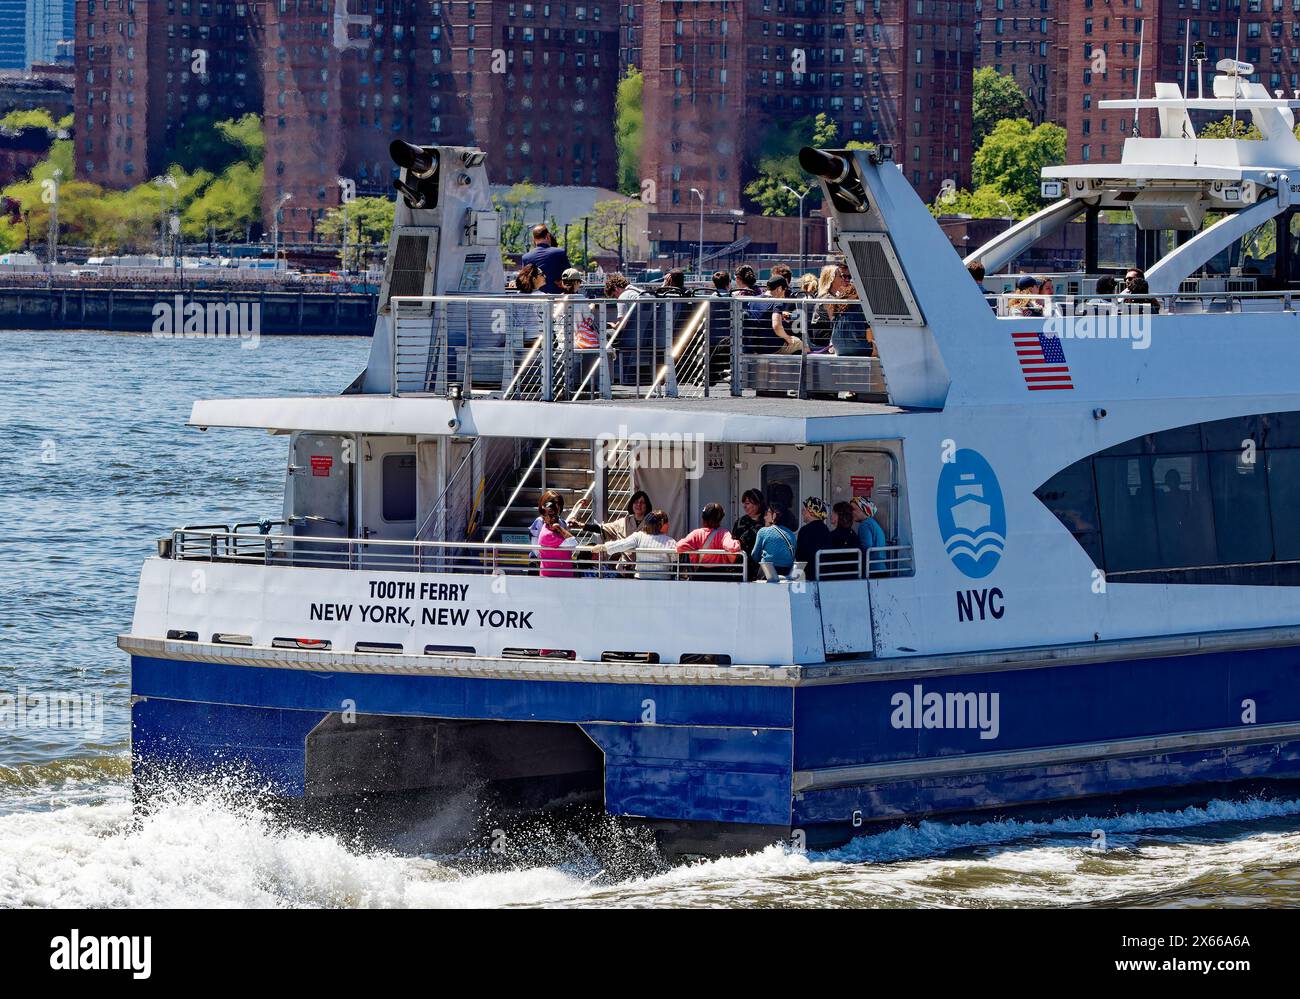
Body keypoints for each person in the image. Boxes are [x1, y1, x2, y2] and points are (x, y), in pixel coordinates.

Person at [593, 509, 679, 579]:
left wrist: (603, 547)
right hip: (663, 580)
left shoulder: (639, 536)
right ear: (662, 525)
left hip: (641, 579)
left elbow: (622, 544)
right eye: (667, 523)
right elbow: (676, 562)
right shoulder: (670, 541)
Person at [677, 502, 742, 572]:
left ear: (703, 517)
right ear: (720, 518)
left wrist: (693, 550)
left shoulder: (696, 534)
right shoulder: (724, 533)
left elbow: (680, 546)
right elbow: (732, 547)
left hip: (700, 574)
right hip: (721, 574)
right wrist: (737, 542)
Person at [828, 263, 872, 357]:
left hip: (839, 348)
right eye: (844, 276)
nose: (847, 279)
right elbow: (869, 334)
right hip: (858, 348)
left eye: (850, 277)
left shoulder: (837, 303)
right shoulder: (860, 305)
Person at [520, 223, 572, 293]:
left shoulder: (525, 257)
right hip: (558, 298)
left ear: (534, 239)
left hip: (534, 299)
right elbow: (570, 276)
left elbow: (524, 280)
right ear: (548, 236)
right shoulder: (560, 252)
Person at [750, 502, 797, 577]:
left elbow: (755, 555)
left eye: (767, 514)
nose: (764, 517)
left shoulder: (763, 531)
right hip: (787, 574)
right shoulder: (791, 534)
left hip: (767, 573)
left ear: (774, 515)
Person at [794, 496, 834, 580]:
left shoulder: (805, 530)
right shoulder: (825, 529)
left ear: (812, 512)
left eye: (804, 510)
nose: (802, 512)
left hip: (809, 574)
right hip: (825, 573)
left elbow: (800, 555)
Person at [822, 501, 866, 578]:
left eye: (833, 513)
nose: (831, 516)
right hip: (853, 577)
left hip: (834, 578)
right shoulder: (853, 535)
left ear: (839, 516)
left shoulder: (832, 536)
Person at [536, 499, 578, 578]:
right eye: (550, 515)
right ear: (544, 518)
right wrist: (559, 528)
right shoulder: (547, 534)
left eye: (555, 514)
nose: (554, 518)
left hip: (562, 574)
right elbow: (573, 543)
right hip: (553, 576)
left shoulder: (553, 527)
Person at [732, 488, 766, 575]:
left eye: (747, 503)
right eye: (743, 503)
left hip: (761, 567)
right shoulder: (740, 522)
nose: (744, 506)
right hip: (742, 566)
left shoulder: (767, 521)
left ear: (757, 504)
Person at [851, 495, 887, 574]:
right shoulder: (872, 523)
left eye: (854, 509)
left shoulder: (865, 525)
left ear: (863, 509)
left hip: (872, 569)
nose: (851, 512)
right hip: (881, 567)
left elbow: (866, 547)